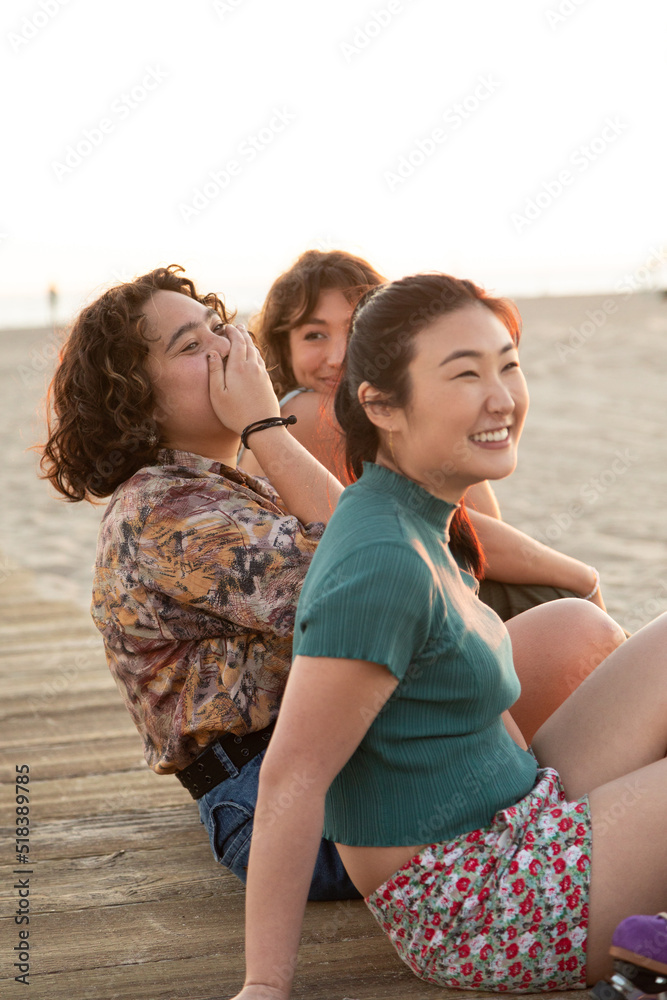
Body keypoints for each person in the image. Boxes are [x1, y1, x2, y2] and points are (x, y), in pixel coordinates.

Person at [229, 274, 667, 999]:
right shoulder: (379, 563)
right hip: (475, 903)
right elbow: (291, 777)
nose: (502, 398)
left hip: (519, 814)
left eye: (507, 365)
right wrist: (264, 986)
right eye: (465, 374)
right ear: (381, 405)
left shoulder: (417, 511)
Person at [39, 264, 357, 900]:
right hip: (282, 812)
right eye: (191, 345)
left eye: (219, 327)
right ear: (137, 404)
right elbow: (369, 579)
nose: (227, 346)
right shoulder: (168, 512)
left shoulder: (217, 488)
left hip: (308, 774)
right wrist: (265, 426)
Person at [243, 250, 615, 626]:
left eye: (354, 328)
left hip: (418, 593)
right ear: (284, 347)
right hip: (391, 610)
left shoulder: (376, 411)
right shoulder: (308, 411)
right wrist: (582, 577)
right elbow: (463, 530)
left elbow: (466, 519)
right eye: (314, 335)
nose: (339, 355)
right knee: (568, 604)